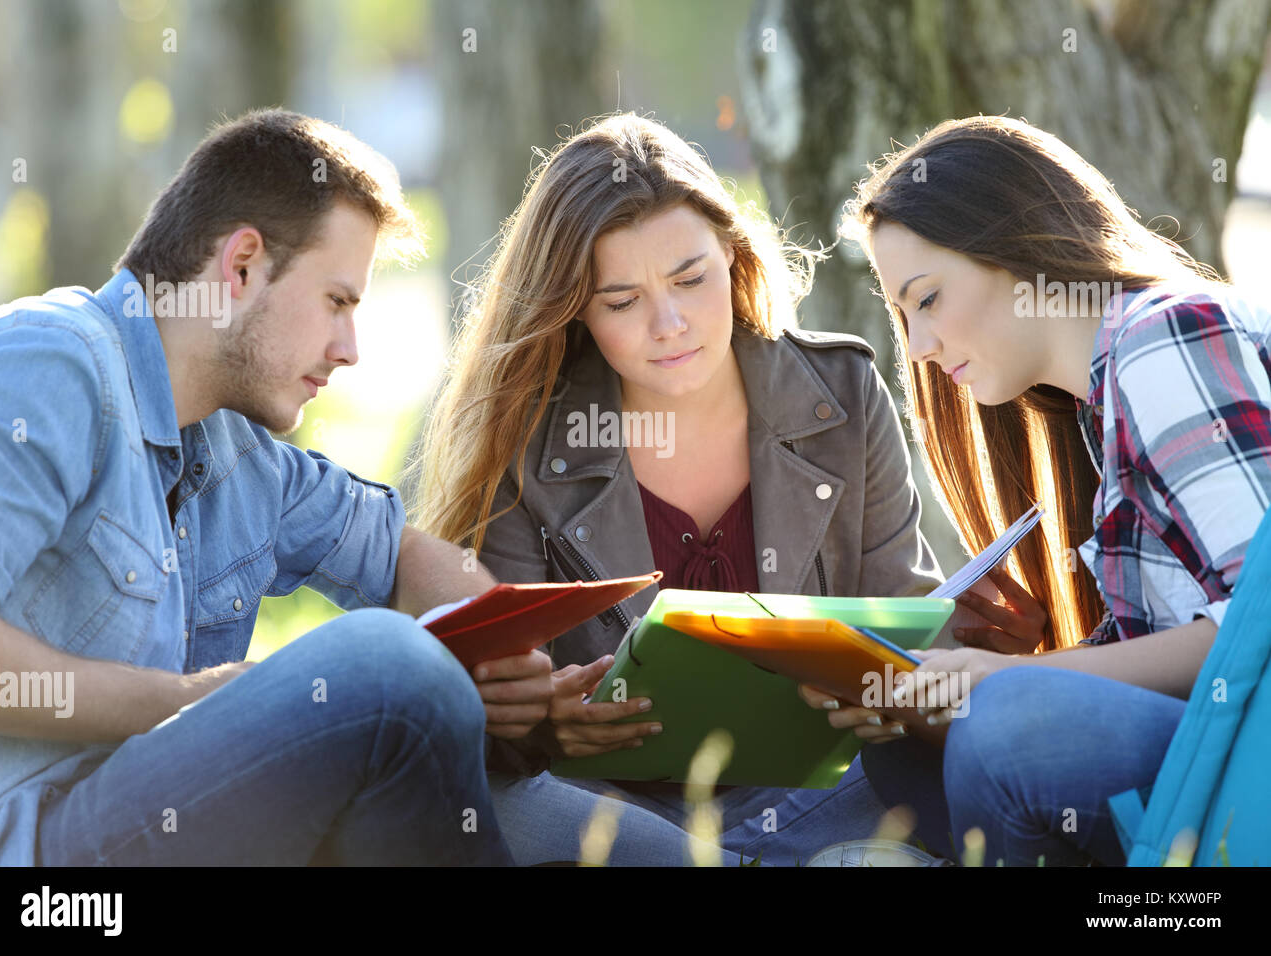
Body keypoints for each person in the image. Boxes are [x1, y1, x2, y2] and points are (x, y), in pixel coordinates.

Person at [0, 109, 556, 866]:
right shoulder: (52, 365)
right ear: (242, 265)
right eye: (338, 303)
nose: (350, 349)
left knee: (581, 829)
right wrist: (191, 702)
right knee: (387, 670)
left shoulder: (237, 451)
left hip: (159, 827)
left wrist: (505, 654)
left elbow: (400, 553)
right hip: (35, 865)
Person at [412, 112, 995, 866]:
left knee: (967, 770)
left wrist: (908, 679)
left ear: (733, 254)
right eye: (621, 301)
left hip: (823, 793)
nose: (670, 322)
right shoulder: (525, 439)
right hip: (619, 814)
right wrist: (539, 725)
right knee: (476, 804)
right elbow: (485, 717)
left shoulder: (842, 395)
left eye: (691, 278)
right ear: (576, 313)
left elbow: (904, 627)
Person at [814, 114, 1271, 865]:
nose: (920, 349)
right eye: (902, 317)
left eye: (926, 300)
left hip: (1250, 754)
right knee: (906, 750)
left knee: (1010, 724)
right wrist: (957, 682)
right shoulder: (1101, 408)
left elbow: (1258, 617)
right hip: (1214, 746)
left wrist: (1012, 679)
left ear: (1013, 247)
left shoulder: (1162, 335)